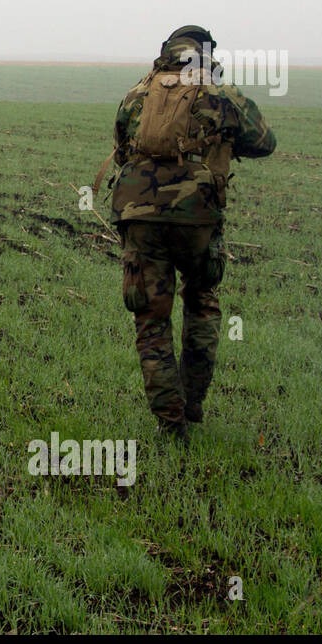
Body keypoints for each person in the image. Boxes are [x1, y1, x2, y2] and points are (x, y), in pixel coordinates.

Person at [108, 27, 276, 440]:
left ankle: (171, 422)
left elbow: (119, 141)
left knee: (151, 318)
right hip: (197, 217)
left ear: (167, 52)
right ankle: (194, 400)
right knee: (201, 301)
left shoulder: (139, 91)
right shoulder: (221, 92)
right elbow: (265, 141)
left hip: (140, 214)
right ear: (207, 54)